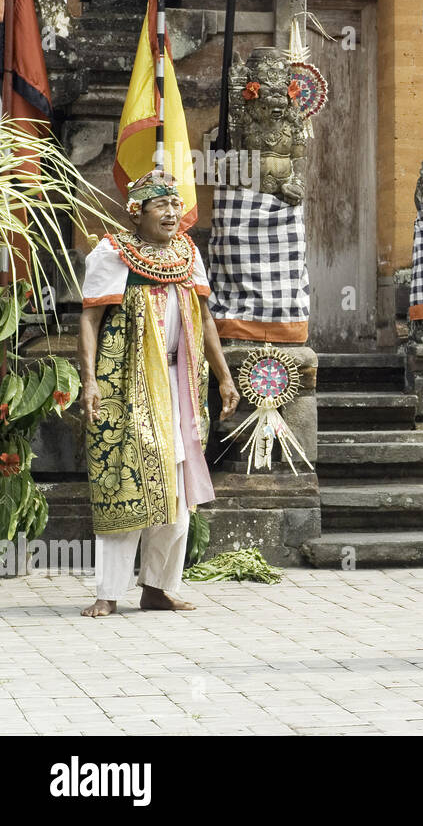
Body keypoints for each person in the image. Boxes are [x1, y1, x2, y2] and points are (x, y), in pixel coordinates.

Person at [79, 170, 240, 617]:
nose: (172, 214)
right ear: (138, 213)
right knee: (125, 479)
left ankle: (157, 587)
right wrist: (89, 380)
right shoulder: (112, 254)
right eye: (161, 206)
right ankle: (108, 592)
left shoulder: (189, 253)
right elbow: (90, 320)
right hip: (127, 385)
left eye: (175, 205)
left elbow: (205, 319)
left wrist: (224, 376)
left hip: (180, 385)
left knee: (175, 485)